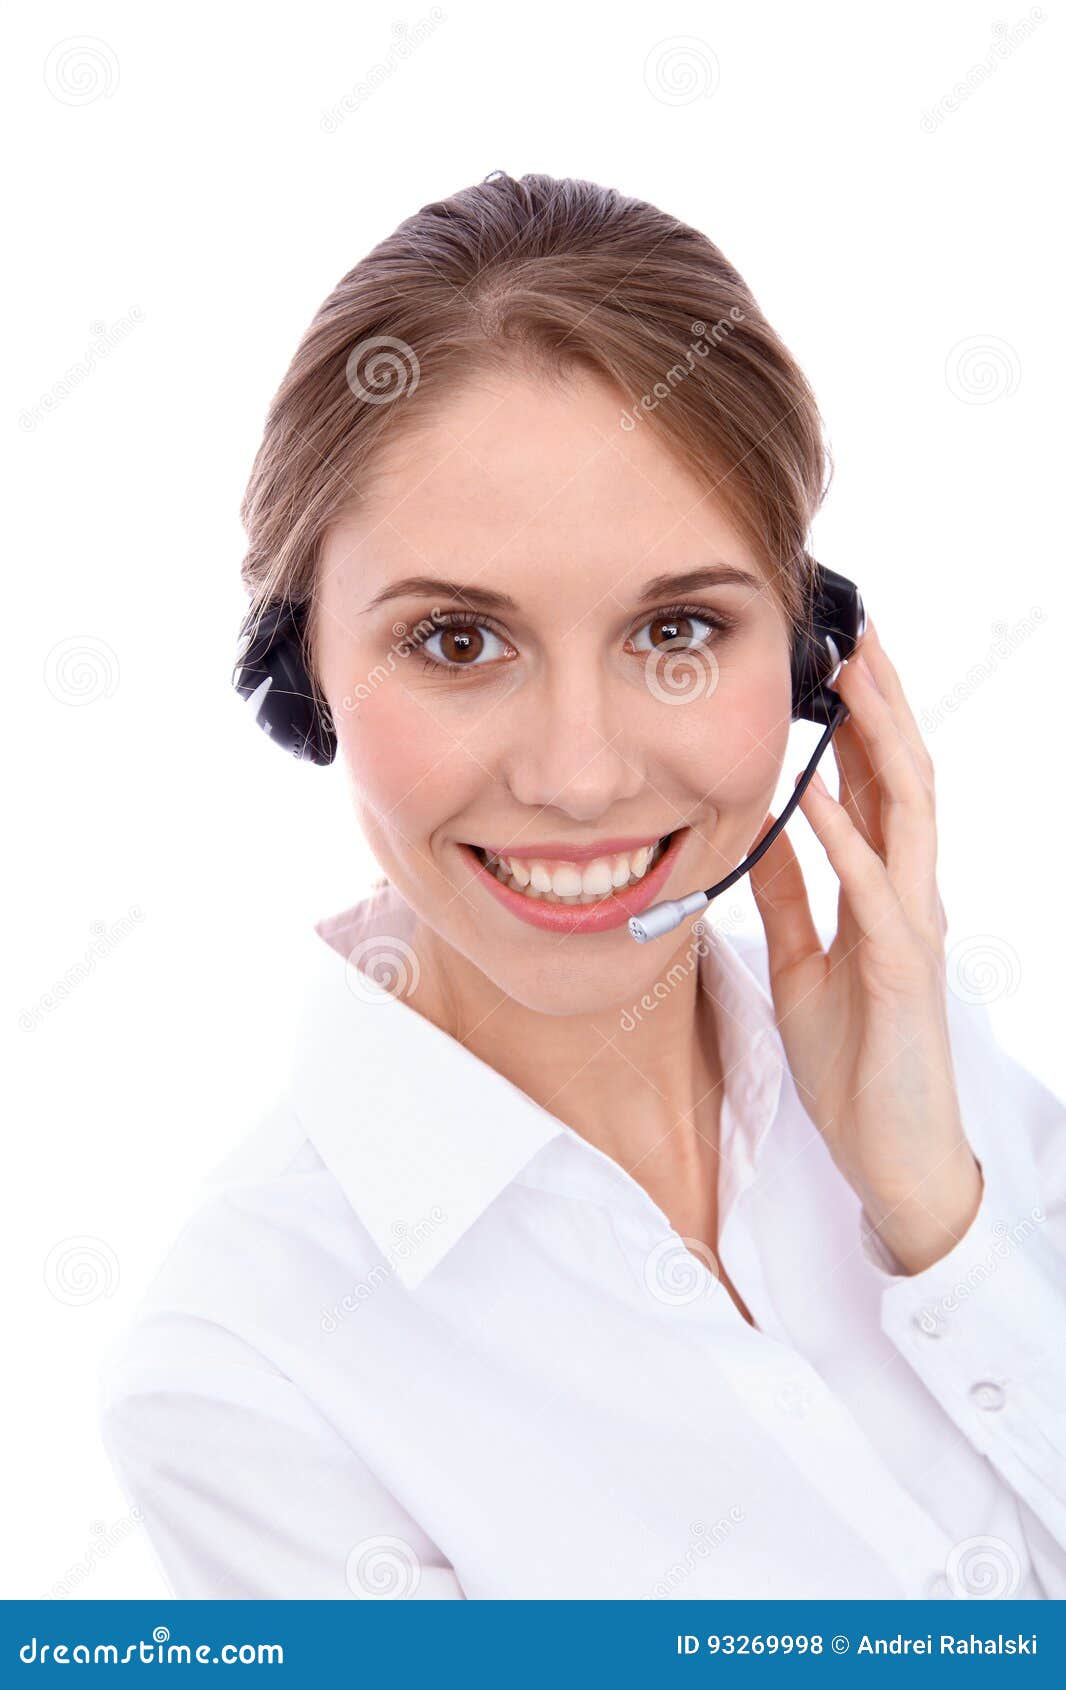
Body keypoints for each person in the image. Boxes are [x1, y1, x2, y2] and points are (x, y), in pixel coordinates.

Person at [99, 171, 1066, 1601]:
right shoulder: (243, 1368)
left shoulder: (943, 1082)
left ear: (812, 664)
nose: (577, 775)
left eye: (676, 626)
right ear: (303, 672)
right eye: (454, 641)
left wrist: (944, 1221)